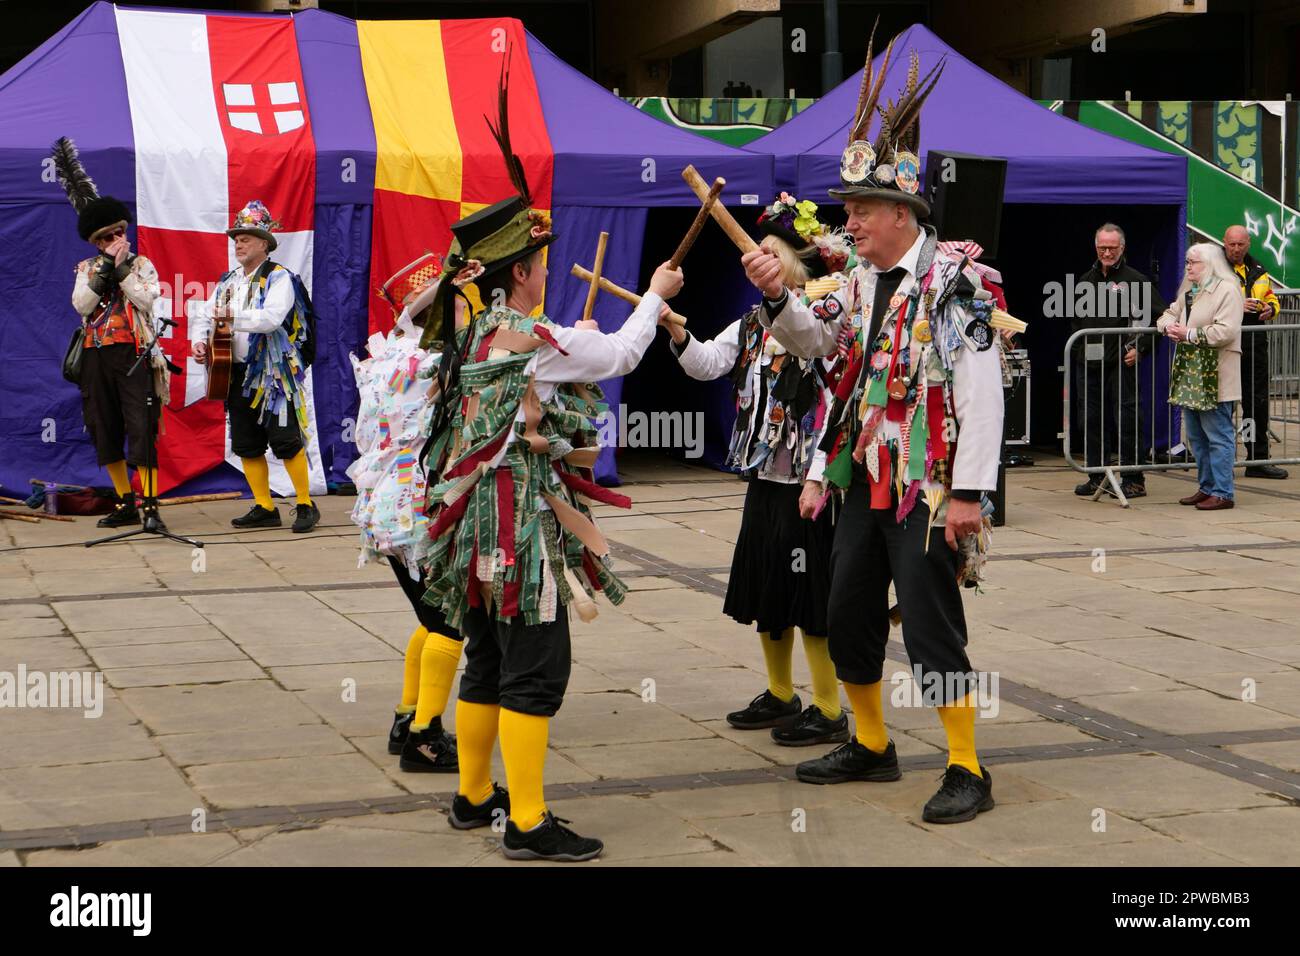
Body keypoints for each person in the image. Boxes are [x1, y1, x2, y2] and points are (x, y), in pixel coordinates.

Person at [418, 65, 684, 860]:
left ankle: (473, 798)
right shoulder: (532, 338)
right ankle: (527, 822)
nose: (542, 268)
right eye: (538, 260)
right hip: (520, 528)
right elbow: (620, 353)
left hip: (473, 529)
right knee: (537, 667)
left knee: (488, 661)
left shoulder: (469, 332)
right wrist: (654, 293)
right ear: (524, 271)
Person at [741, 34, 1004, 824]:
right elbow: (819, 347)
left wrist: (968, 494)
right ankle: (871, 743)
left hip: (928, 488)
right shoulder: (854, 282)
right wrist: (774, 299)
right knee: (847, 610)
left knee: (931, 626)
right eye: (848, 211)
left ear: (900, 213)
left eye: (858, 211)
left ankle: (967, 766)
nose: (846, 222)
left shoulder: (957, 282)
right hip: (866, 481)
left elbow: (982, 391)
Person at [663, 192, 852, 746]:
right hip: (766, 478)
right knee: (770, 592)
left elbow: (832, 391)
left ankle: (829, 706)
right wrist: (675, 329)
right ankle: (780, 693)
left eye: (768, 253)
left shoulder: (829, 313)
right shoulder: (750, 323)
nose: (757, 262)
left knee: (811, 599)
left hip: (812, 484)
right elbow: (705, 364)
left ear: (793, 264)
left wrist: (818, 475)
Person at [350, 256, 467, 772]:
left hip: (386, 512)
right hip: (417, 511)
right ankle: (425, 739)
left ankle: (408, 716)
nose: (470, 313)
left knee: (427, 616)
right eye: (461, 306)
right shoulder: (431, 363)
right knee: (448, 622)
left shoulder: (391, 356)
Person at [54, 137, 167, 529]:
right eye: (104, 238)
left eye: (116, 234)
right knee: (105, 428)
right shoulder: (86, 268)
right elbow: (82, 305)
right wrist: (104, 269)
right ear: (95, 242)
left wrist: (122, 270)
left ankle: (150, 505)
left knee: (141, 428)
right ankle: (124, 502)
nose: (112, 242)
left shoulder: (143, 264)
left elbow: (148, 302)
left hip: (134, 355)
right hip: (96, 356)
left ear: (124, 231)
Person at [191, 201, 319, 533]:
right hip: (237, 373)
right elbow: (204, 313)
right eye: (236, 238)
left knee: (286, 438)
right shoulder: (228, 281)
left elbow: (271, 319)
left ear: (264, 242)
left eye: (245, 237)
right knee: (246, 442)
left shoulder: (281, 279)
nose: (238, 243)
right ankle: (264, 506)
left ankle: (305, 503)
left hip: (274, 373)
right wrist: (200, 340)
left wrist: (231, 317)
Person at [1071, 223, 1167, 499]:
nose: (1107, 252)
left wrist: (1141, 348)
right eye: (1102, 247)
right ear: (1096, 247)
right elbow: (1076, 321)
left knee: (1127, 419)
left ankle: (1133, 478)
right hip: (1088, 364)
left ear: (1122, 248)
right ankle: (1096, 476)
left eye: (1112, 247)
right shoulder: (1085, 280)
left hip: (1122, 364)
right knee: (1089, 419)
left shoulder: (1136, 280)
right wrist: (1078, 351)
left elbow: (1160, 318)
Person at [1157, 243, 1244, 511]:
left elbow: (1226, 331)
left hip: (1215, 375)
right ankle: (1206, 487)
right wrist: (1167, 326)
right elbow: (1169, 312)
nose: (1188, 267)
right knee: (1196, 436)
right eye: (1187, 262)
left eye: (1193, 262)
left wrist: (1189, 335)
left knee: (1218, 435)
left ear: (1210, 264)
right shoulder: (1190, 291)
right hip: (1190, 374)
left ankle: (1223, 491)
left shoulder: (1227, 290)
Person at [1223, 225, 1287, 479]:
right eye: (1232, 244)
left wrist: (1271, 309)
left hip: (1255, 343)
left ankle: (1257, 459)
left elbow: (1270, 296)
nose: (1236, 249)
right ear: (1224, 243)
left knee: (1256, 403)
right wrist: (1240, 303)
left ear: (1248, 244)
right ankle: (1222, 460)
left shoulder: (1258, 269)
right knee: (1223, 406)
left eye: (1241, 244)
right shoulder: (1215, 267)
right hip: (1226, 342)